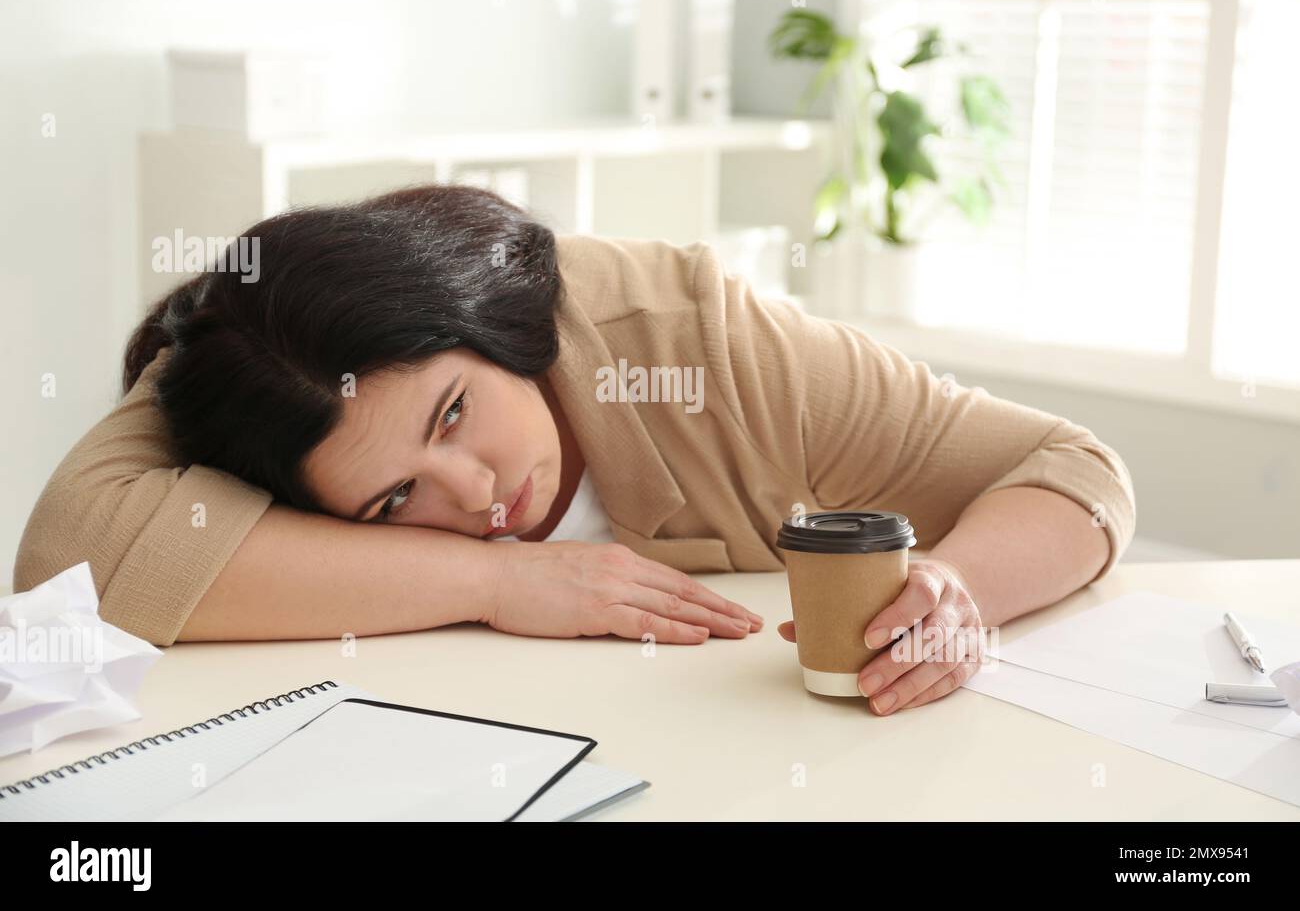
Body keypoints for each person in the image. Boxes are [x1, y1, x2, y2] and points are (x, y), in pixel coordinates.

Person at [14, 184, 1136, 714]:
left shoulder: (692, 333)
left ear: (488, 321)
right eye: (394, 499)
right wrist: (497, 578)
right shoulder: (264, 408)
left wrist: (956, 588)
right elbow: (67, 559)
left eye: (452, 413)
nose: (476, 491)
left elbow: (1072, 469)